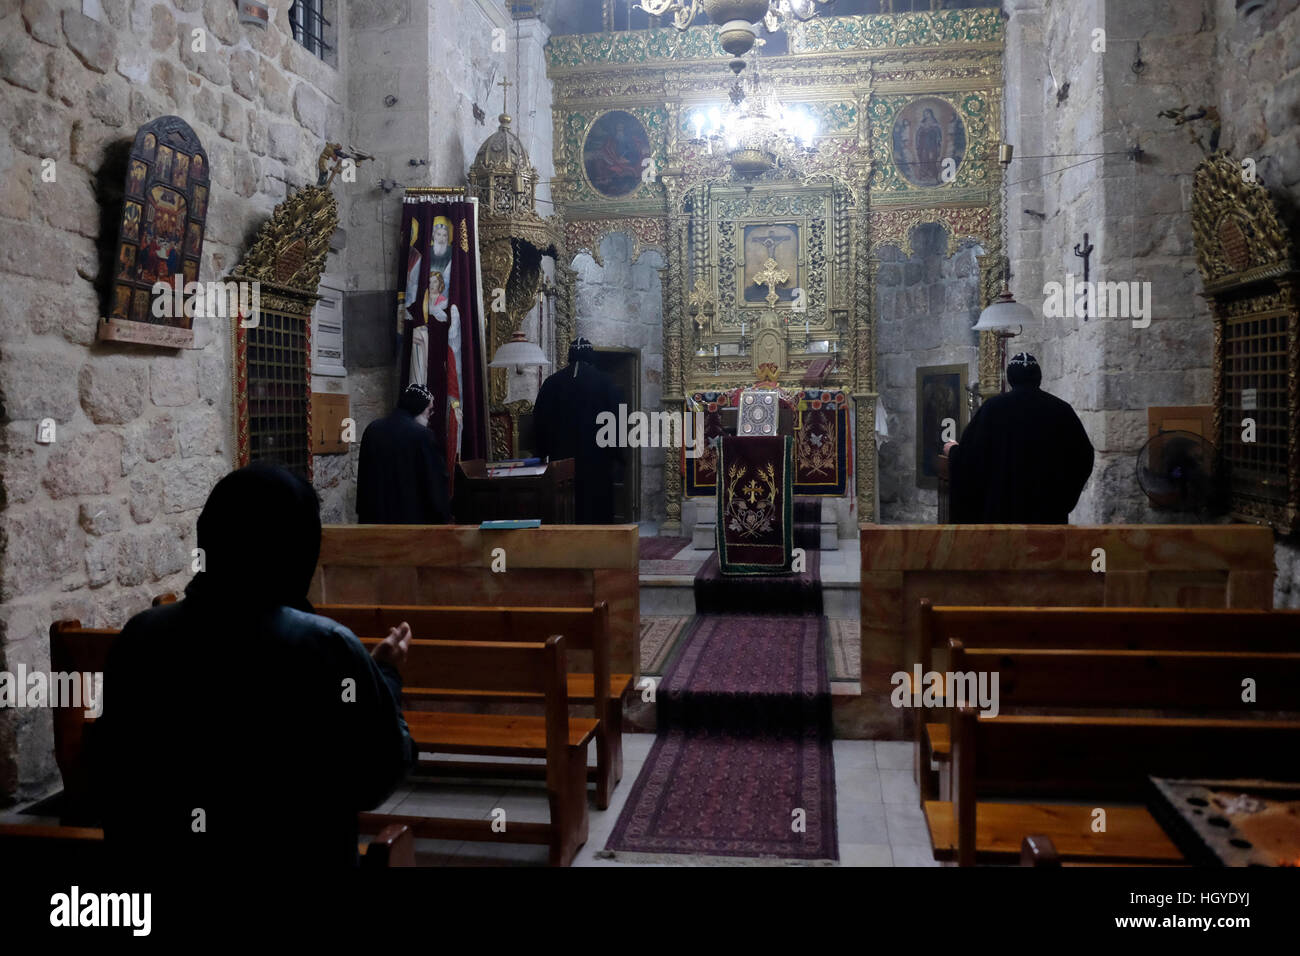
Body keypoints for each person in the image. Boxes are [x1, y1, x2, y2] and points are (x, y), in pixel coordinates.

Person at [90, 463, 415, 869]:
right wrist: (384, 675)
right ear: (300, 550)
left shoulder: (141, 636)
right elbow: (377, 774)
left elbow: (110, 768)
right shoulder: (327, 645)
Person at [947, 352, 1094, 524]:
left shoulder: (992, 409)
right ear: (1038, 377)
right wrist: (1062, 499)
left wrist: (953, 452)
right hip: (1047, 515)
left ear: (1010, 378)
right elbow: (1083, 457)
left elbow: (971, 459)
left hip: (1002, 515)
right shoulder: (1061, 410)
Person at [533, 338, 622, 524]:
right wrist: (617, 455)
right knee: (595, 510)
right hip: (597, 460)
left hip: (562, 462)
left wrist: (542, 453)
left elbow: (540, 422)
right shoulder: (606, 383)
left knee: (565, 509)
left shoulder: (551, 383)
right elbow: (617, 420)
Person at [356, 383, 452, 524]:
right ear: (419, 408)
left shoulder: (372, 429)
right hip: (411, 522)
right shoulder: (423, 436)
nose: (430, 416)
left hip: (374, 520)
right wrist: (443, 517)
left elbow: (363, 480)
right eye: (429, 410)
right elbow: (434, 483)